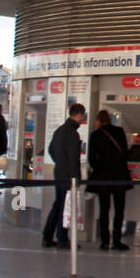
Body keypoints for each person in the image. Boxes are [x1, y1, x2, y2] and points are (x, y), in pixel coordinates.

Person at [43, 103, 86, 248]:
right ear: (79, 114)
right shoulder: (72, 134)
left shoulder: (59, 131)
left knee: (58, 204)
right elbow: (74, 159)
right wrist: (76, 178)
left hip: (59, 173)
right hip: (68, 176)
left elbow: (50, 149)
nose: (83, 118)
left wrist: (60, 163)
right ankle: (62, 238)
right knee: (65, 206)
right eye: (83, 115)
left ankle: (47, 236)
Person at [88, 110, 132, 250]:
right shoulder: (119, 131)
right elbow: (125, 153)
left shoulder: (95, 135)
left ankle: (105, 241)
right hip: (119, 176)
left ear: (99, 121)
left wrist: (100, 167)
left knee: (104, 209)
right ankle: (117, 240)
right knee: (119, 209)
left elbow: (91, 159)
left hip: (103, 178)